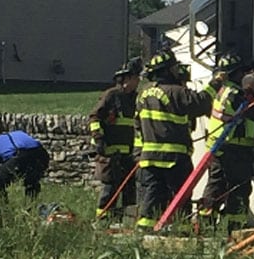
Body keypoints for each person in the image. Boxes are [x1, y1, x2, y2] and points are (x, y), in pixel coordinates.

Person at [133, 50, 214, 231]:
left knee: (151, 197)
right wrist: (216, 83)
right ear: (167, 70)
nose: (179, 70)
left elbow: (138, 128)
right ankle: (181, 229)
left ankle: (145, 231)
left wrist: (138, 155)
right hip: (174, 159)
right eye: (175, 68)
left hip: (149, 159)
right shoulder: (176, 92)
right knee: (180, 196)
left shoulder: (143, 95)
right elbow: (202, 102)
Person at [196, 52, 254, 232]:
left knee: (216, 184)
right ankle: (234, 224)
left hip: (219, 147)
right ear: (237, 73)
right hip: (235, 147)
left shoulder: (221, 90)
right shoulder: (236, 93)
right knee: (239, 187)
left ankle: (205, 219)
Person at [90, 57, 142, 219]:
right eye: (135, 77)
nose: (138, 81)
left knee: (129, 187)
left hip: (128, 153)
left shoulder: (136, 98)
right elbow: (94, 118)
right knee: (110, 187)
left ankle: (126, 219)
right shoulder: (111, 96)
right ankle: (102, 219)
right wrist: (99, 139)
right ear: (126, 78)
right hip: (109, 151)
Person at [0, 131, 50, 199]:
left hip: (20, 156)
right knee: (31, 182)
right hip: (42, 155)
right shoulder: (17, 133)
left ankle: (5, 213)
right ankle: (31, 209)